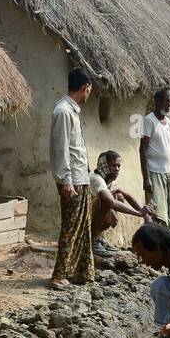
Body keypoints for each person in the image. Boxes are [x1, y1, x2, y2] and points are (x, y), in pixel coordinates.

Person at [50, 68, 95, 289]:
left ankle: (79, 272)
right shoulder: (63, 112)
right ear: (85, 87)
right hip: (72, 180)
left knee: (82, 228)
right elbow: (61, 149)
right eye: (89, 91)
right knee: (70, 228)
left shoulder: (72, 111)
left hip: (80, 177)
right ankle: (59, 274)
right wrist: (65, 179)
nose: (89, 95)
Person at [90, 150, 155, 261]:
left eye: (119, 166)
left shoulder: (109, 182)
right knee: (108, 203)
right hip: (86, 218)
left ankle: (98, 238)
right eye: (113, 165)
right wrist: (139, 213)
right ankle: (91, 241)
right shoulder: (96, 179)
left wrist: (146, 217)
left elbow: (127, 196)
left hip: (97, 212)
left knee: (119, 195)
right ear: (104, 165)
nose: (117, 169)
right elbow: (109, 202)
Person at [139, 87, 170, 228]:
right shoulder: (149, 121)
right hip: (154, 174)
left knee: (167, 214)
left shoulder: (169, 123)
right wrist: (146, 178)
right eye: (167, 100)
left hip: (167, 174)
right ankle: (150, 244)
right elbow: (142, 149)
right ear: (157, 101)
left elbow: (166, 148)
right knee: (156, 214)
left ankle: (160, 245)